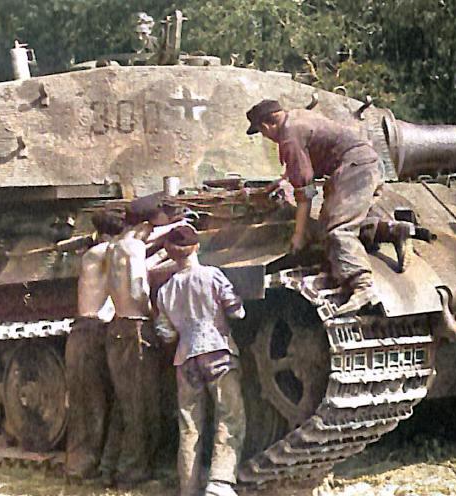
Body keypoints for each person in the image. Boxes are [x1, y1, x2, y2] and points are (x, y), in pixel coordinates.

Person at [245, 99, 414, 314]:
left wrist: (298, 234)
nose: (265, 136)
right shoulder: (298, 116)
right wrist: (285, 178)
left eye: (261, 131)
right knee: (329, 227)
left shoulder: (289, 136)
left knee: (338, 230)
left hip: (352, 167)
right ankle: (390, 230)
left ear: (267, 125)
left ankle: (362, 285)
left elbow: (305, 194)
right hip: (366, 162)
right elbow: (310, 153)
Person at [154, 225, 246, 496]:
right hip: (217, 352)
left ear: (171, 254)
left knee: (190, 427)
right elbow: (236, 311)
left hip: (185, 359)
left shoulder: (165, 290)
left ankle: (189, 488)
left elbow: (167, 333)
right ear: (196, 247)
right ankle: (220, 482)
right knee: (230, 417)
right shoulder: (212, 275)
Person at [99, 198, 172, 487]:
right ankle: (132, 473)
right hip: (136, 328)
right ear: (144, 225)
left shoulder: (116, 247)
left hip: (117, 325)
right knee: (142, 405)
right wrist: (157, 315)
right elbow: (139, 288)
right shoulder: (136, 248)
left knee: (123, 405)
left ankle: (108, 467)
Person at [66, 211, 124, 483]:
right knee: (93, 404)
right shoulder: (104, 253)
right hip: (92, 333)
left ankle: (93, 465)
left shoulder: (93, 254)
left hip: (91, 331)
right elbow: (133, 253)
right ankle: (82, 468)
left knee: (95, 402)